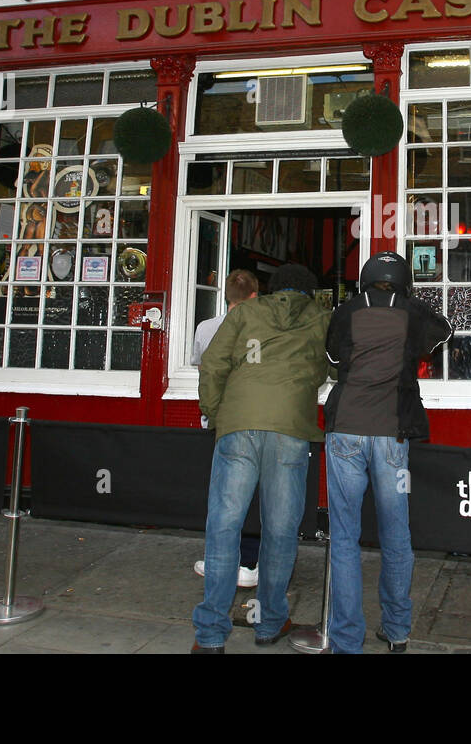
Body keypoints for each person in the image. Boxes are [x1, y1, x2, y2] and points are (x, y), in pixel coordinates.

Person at [191, 263, 330, 653]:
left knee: (223, 526)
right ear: (309, 291)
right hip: (289, 427)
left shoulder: (246, 312)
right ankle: (270, 623)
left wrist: (217, 414)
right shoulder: (321, 318)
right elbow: (330, 367)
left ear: (273, 289)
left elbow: (214, 364)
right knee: (281, 531)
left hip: (238, 423)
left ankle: (210, 636)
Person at [323, 251, 452, 654]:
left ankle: (346, 640)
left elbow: (332, 358)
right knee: (396, 536)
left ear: (365, 279)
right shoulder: (412, 313)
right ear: (403, 281)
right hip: (392, 436)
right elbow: (445, 332)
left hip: (345, 432)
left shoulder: (346, 311)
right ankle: (396, 631)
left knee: (344, 538)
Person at [190, 268, 260, 589]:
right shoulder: (264, 328)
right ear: (254, 295)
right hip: (252, 418)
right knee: (249, 495)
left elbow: (205, 373)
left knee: (221, 497)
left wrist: (211, 413)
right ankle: (247, 561)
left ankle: (218, 560)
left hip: (220, 421)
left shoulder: (206, 328)